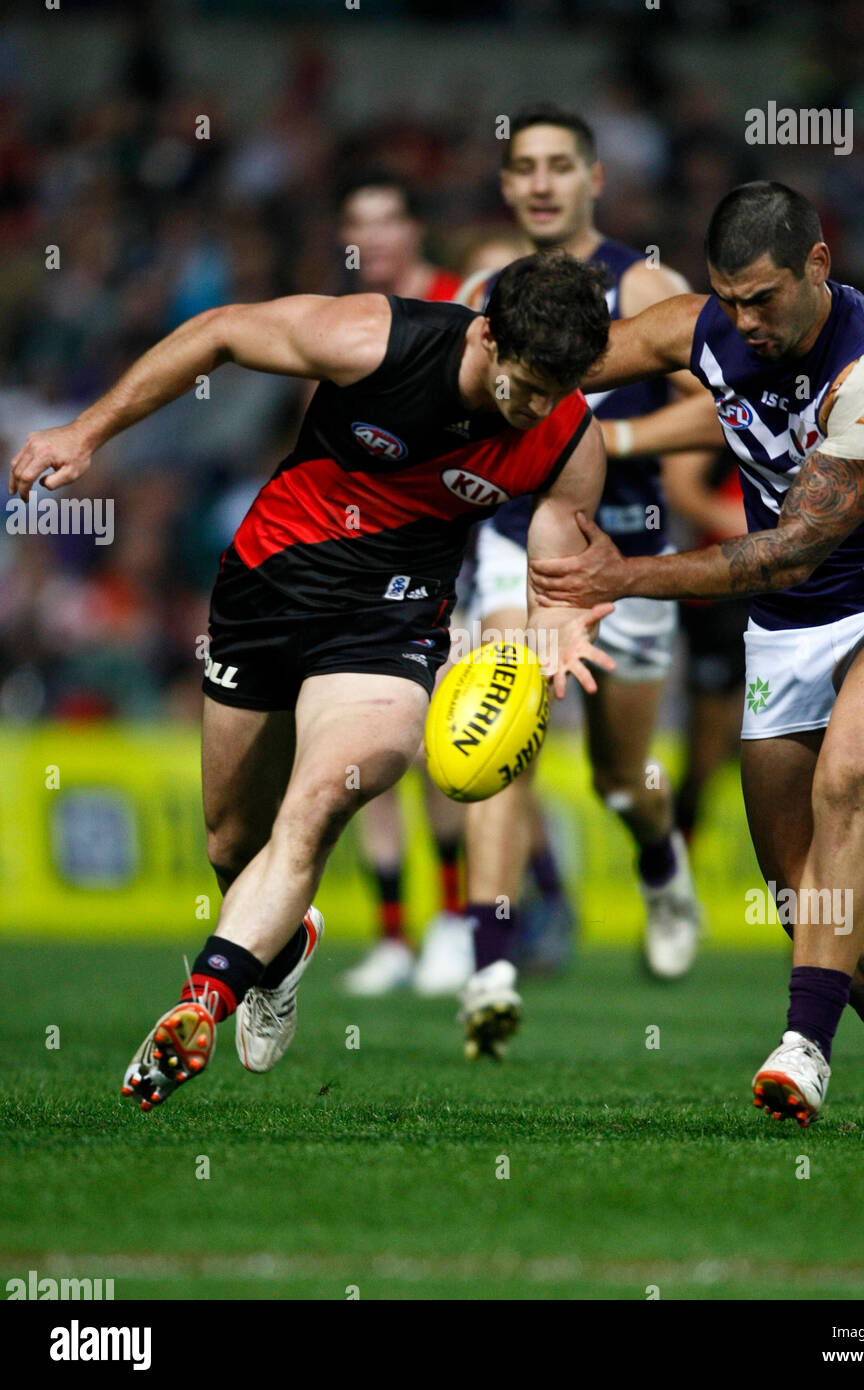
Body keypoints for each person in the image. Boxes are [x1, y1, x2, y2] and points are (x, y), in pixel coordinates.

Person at [9, 252, 617, 1109]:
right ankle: (281, 953)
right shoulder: (373, 339)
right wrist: (87, 431)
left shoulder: (566, 442)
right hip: (265, 588)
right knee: (230, 842)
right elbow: (219, 332)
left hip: (393, 627)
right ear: (486, 335)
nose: (538, 409)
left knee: (318, 803)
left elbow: (550, 576)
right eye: (525, 386)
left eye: (559, 390)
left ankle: (202, 1003)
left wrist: (545, 644)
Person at [530, 181, 864, 1129]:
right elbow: (559, 371)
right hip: (789, 630)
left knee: (846, 779)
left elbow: (787, 548)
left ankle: (802, 1047)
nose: (743, 322)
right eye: (727, 299)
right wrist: (478, 376)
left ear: (817, 267)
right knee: (802, 895)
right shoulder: (702, 326)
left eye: (762, 299)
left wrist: (621, 578)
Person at [455, 105, 717, 1006]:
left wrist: (611, 438)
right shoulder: (483, 290)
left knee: (618, 778)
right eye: (522, 166)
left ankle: (658, 853)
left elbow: (727, 402)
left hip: (624, 552)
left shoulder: (646, 287)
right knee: (503, 737)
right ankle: (489, 964)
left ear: (594, 179)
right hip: (509, 536)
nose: (539, 183)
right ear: (504, 184)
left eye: (558, 165)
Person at [335, 171, 469, 997]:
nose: (372, 238)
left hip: (461, 552)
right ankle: (391, 936)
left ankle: (454, 921)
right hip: (366, 556)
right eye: (358, 222)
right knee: (362, 746)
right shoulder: (344, 324)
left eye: (386, 220)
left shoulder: (464, 304)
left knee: (442, 748)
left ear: (414, 230)